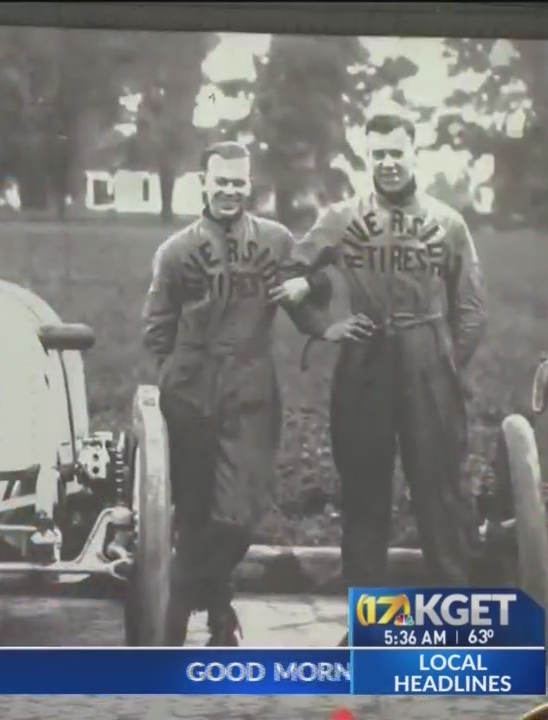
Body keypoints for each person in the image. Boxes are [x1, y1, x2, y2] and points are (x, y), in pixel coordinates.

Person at [280, 110, 488, 645]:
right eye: (379, 155)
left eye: (398, 152)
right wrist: (322, 325)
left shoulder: (448, 221)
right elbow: (291, 273)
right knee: (365, 496)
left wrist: (444, 363)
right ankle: (368, 631)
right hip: (365, 359)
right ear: (367, 158)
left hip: (427, 358)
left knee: (440, 494)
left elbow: (471, 309)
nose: (389, 163)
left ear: (414, 152)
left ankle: (456, 627)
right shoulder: (342, 217)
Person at [140, 140, 335, 646]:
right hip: (190, 395)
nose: (228, 190)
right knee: (196, 511)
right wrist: (181, 379)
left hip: (251, 394)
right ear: (203, 182)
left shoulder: (275, 241)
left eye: (237, 181)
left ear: (250, 185)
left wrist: (309, 289)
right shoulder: (177, 251)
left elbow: (313, 300)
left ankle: (179, 597)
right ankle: (218, 620)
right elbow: (156, 330)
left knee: (240, 513)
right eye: (219, 181)